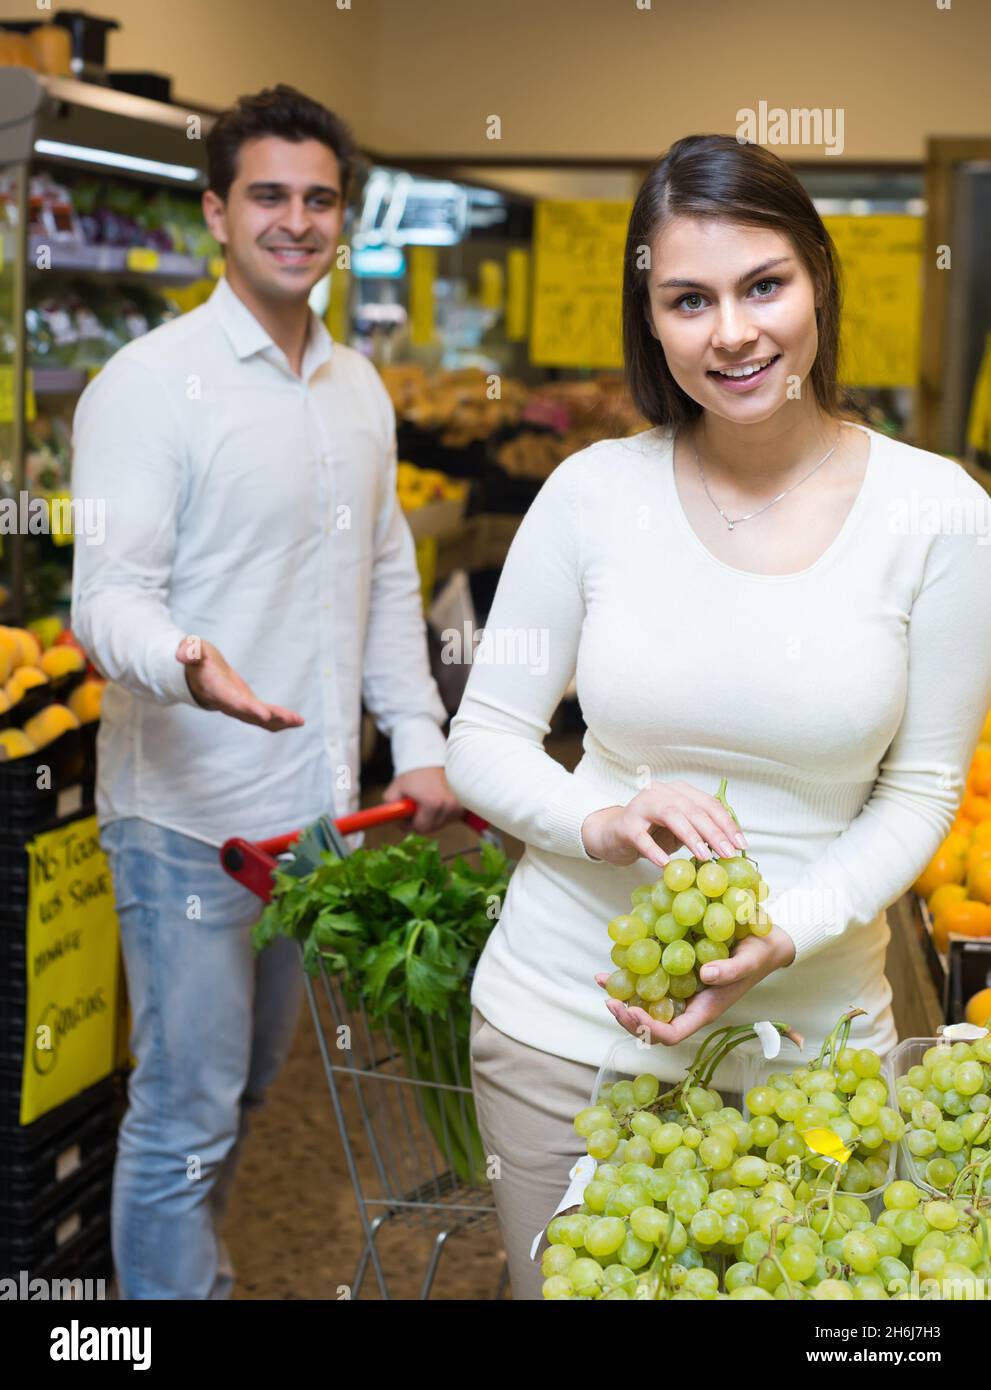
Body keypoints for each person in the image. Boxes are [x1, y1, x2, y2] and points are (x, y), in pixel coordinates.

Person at [445, 133, 991, 1300]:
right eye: (687, 300)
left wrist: (782, 932)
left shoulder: (937, 513)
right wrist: (601, 818)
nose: (731, 333)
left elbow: (923, 787)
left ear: (818, 285)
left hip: (813, 1055)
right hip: (564, 1031)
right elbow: (482, 738)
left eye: (763, 285)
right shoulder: (589, 495)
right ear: (650, 321)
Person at [70, 84, 460, 1299]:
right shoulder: (149, 383)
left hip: (308, 817)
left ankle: (191, 1278)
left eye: (318, 198)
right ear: (216, 215)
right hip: (186, 814)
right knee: (185, 1106)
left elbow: (385, 573)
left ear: (343, 216)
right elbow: (103, 601)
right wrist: (191, 660)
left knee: (242, 1088)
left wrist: (421, 740)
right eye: (268, 196)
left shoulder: (357, 389)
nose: (295, 221)